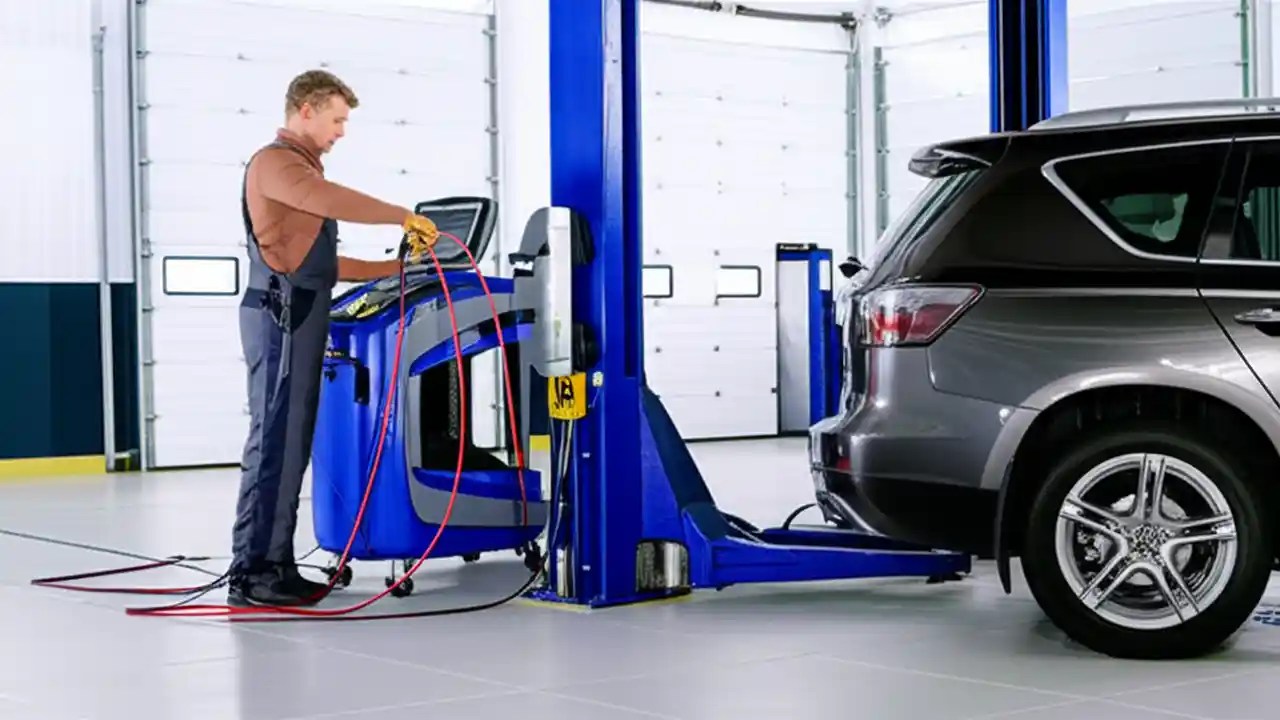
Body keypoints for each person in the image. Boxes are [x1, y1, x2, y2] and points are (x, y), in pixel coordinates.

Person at [228, 69, 438, 607]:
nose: (342, 131)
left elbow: (323, 263)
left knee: (291, 440)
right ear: (305, 110)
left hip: (298, 312)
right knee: (275, 440)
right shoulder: (277, 164)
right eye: (337, 118)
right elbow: (328, 199)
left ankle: (274, 564)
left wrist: (393, 272)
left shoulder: (299, 171)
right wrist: (401, 215)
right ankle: (254, 574)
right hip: (281, 318)